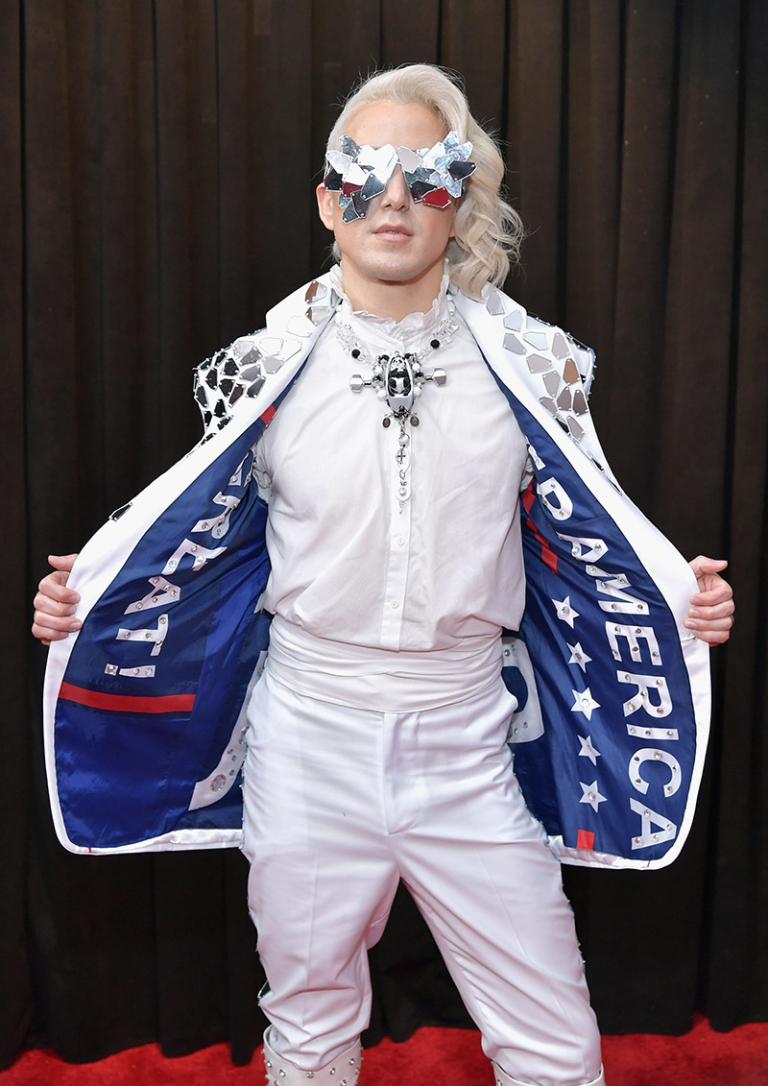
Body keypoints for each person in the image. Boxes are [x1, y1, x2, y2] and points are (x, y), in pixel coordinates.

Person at [32, 65, 733, 1086]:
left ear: (460, 201)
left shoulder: (538, 365)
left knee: (555, 1043)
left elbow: (595, 530)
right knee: (308, 1024)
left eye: (425, 177)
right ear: (327, 201)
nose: (393, 201)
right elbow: (193, 536)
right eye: (363, 177)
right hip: (307, 736)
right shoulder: (256, 366)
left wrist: (678, 601)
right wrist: (88, 600)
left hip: (467, 740)